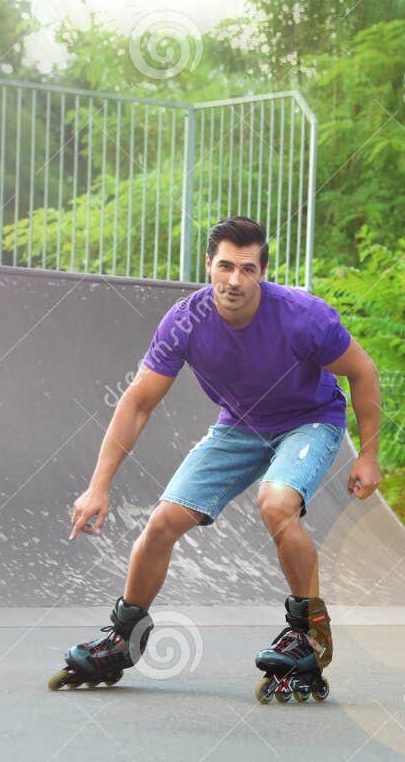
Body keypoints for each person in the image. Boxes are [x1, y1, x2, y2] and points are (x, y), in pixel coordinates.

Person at [51, 216, 383, 695]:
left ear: (262, 272)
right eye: (225, 266)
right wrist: (98, 486)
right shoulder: (185, 322)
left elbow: (363, 370)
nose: (234, 280)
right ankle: (124, 638)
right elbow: (138, 402)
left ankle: (307, 636)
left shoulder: (302, 316)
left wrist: (368, 455)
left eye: (247, 269)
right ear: (208, 264)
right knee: (161, 523)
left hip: (309, 421)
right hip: (239, 426)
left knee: (276, 503)